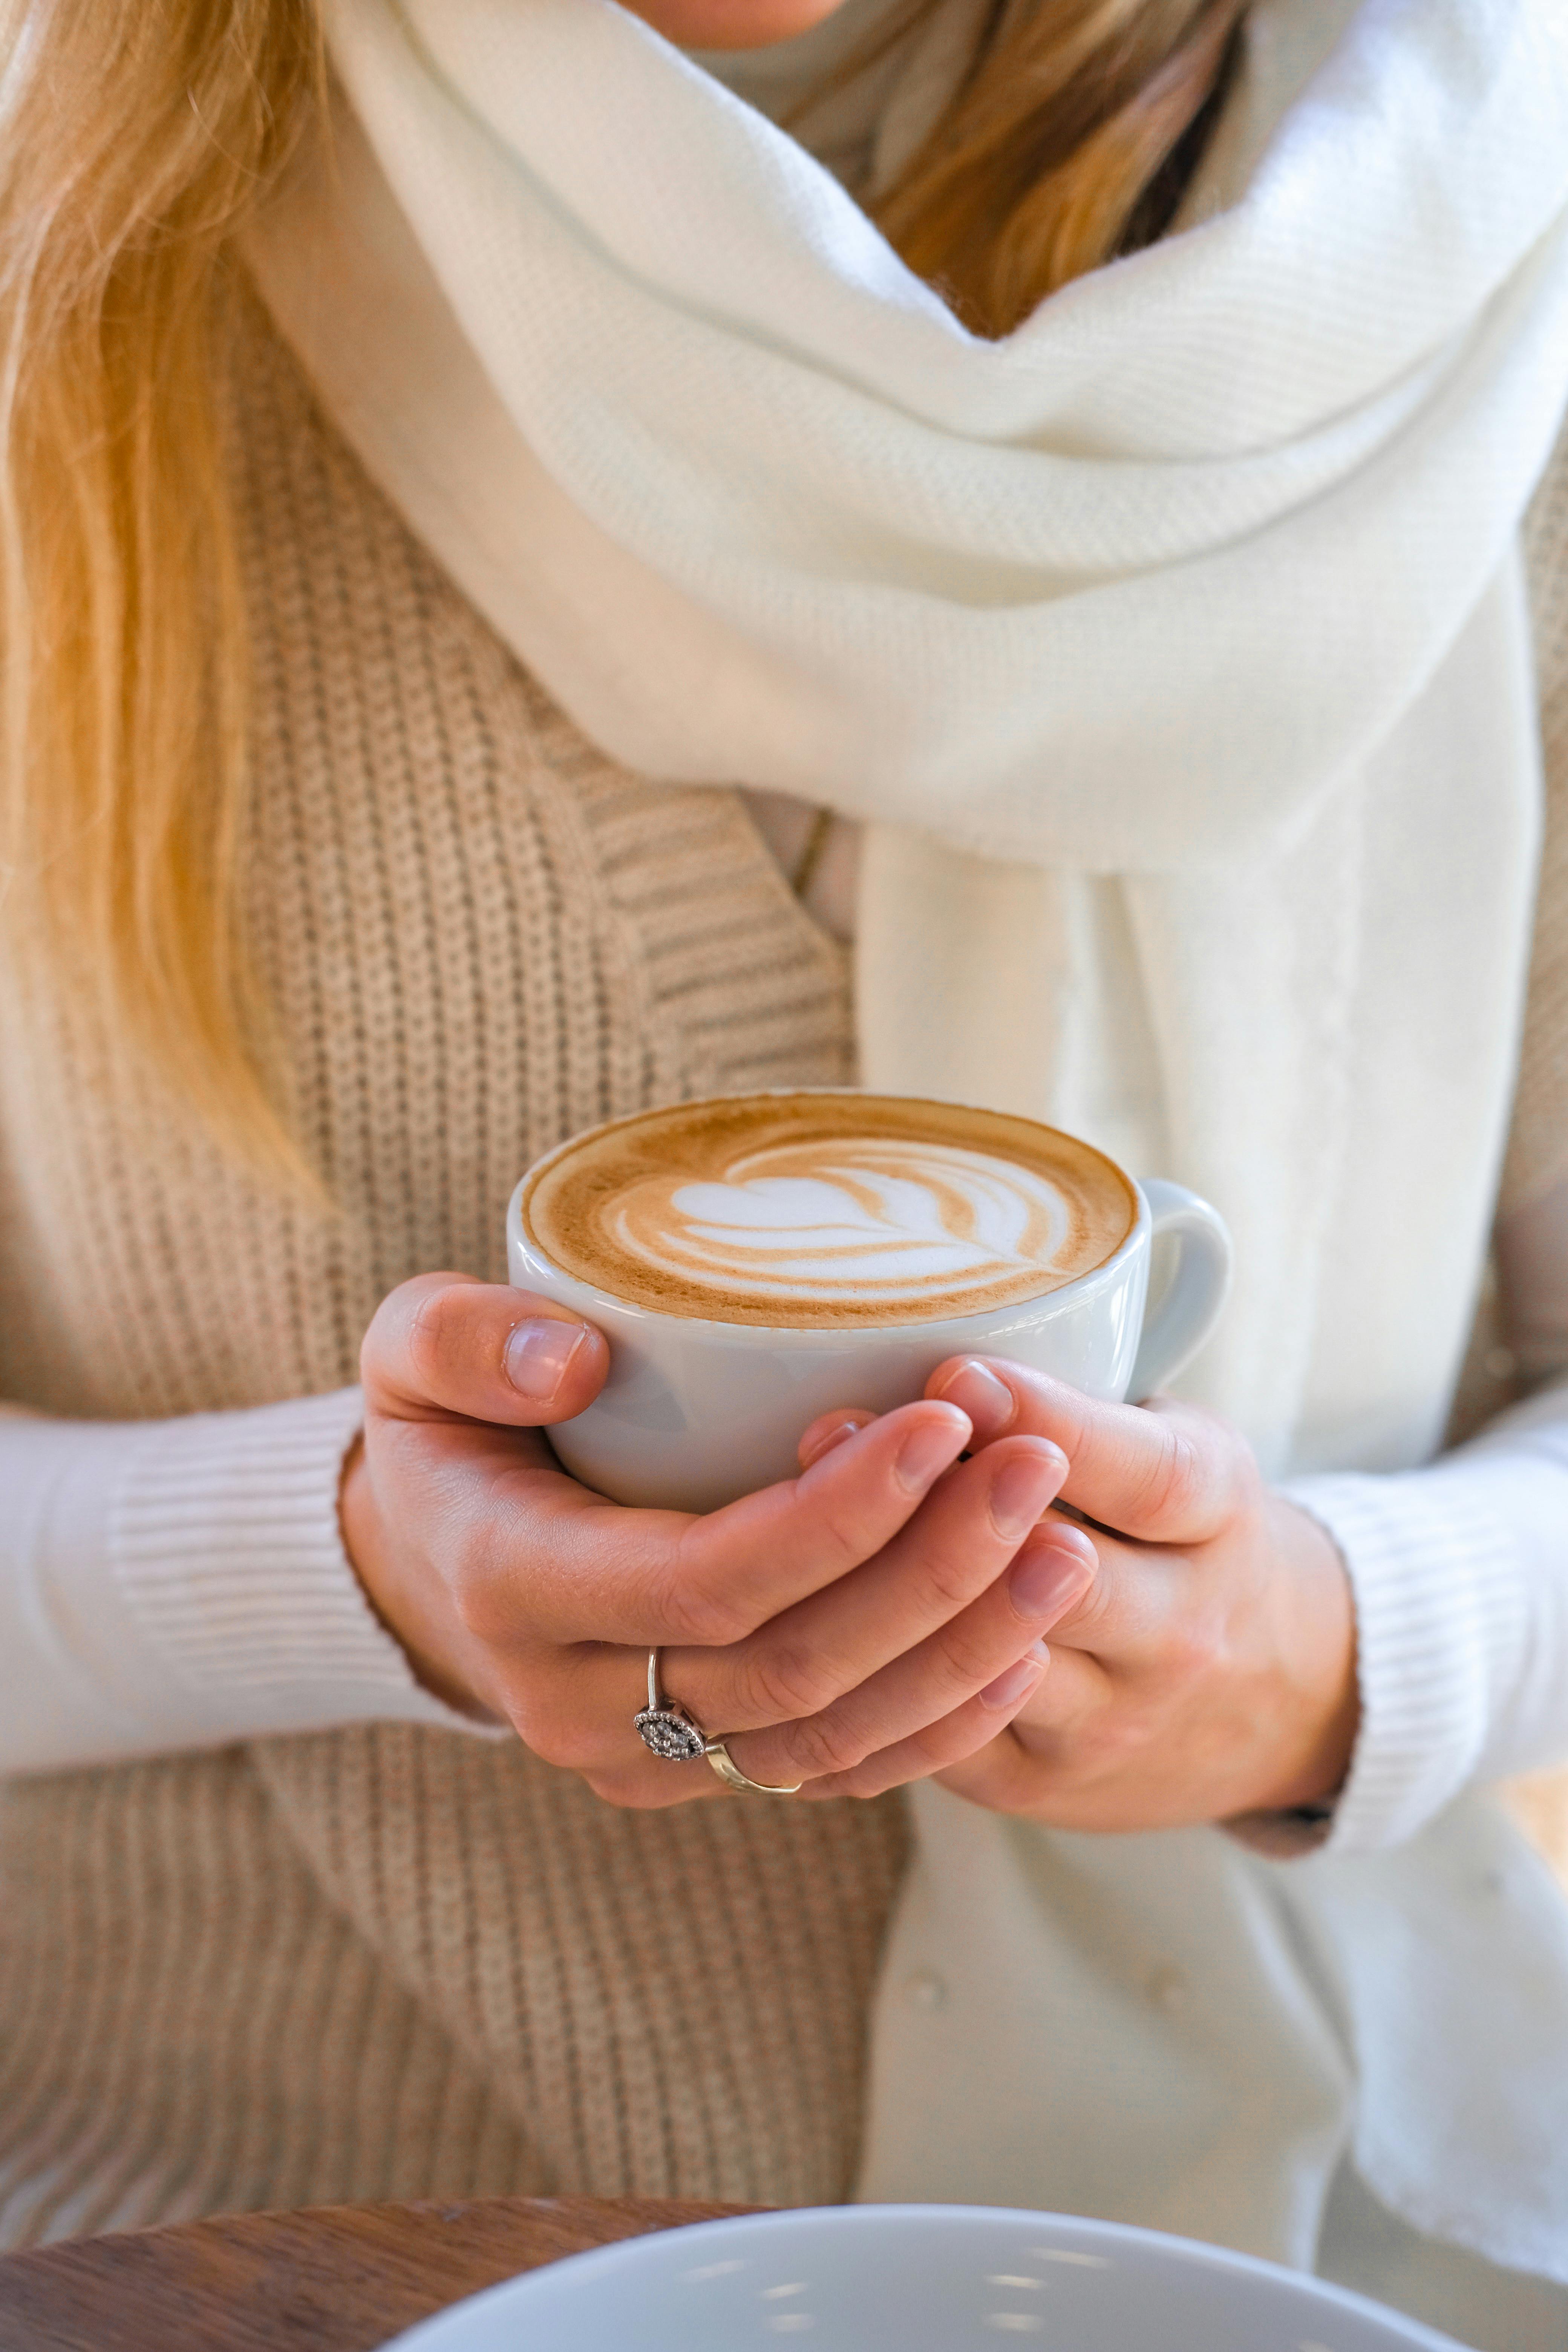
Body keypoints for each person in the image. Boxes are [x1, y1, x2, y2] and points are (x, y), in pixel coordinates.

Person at [2, 0, 1568, 2338]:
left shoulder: (1495, 244)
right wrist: (349, 1569)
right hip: (241, 2258)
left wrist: (1338, 1652)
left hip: (1274, 2259)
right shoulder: (67, 236)